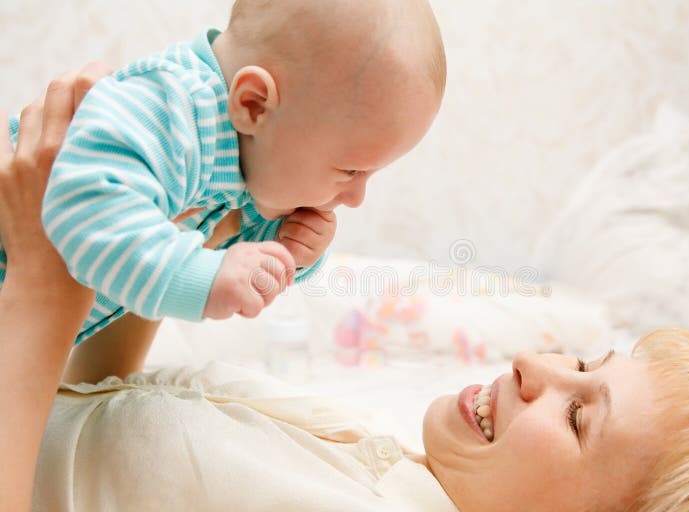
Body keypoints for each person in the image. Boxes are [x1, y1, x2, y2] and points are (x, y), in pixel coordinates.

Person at [3, 72, 689, 512]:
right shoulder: (401, 476)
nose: (534, 364)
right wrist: (177, 258)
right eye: (586, 364)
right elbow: (95, 435)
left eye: (579, 417)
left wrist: (40, 291)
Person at [0, 0, 446, 347]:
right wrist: (202, 277)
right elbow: (89, 213)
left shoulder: (246, 158)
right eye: (350, 169)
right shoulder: (168, 107)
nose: (355, 197)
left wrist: (287, 248)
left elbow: (228, 238)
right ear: (254, 105)